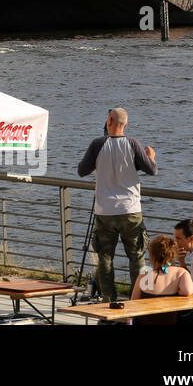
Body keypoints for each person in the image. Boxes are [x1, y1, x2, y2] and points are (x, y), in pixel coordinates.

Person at [77, 107, 157, 302]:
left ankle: (108, 299)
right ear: (126, 125)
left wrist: (98, 163)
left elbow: (81, 170)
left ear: (108, 121)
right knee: (137, 257)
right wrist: (151, 156)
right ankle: (137, 298)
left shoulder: (97, 144)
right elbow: (152, 170)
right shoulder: (132, 143)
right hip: (131, 210)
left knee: (104, 257)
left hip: (105, 210)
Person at [130, 234, 193, 325]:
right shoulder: (180, 273)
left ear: (152, 255)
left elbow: (133, 303)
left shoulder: (144, 275)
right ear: (173, 253)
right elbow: (188, 290)